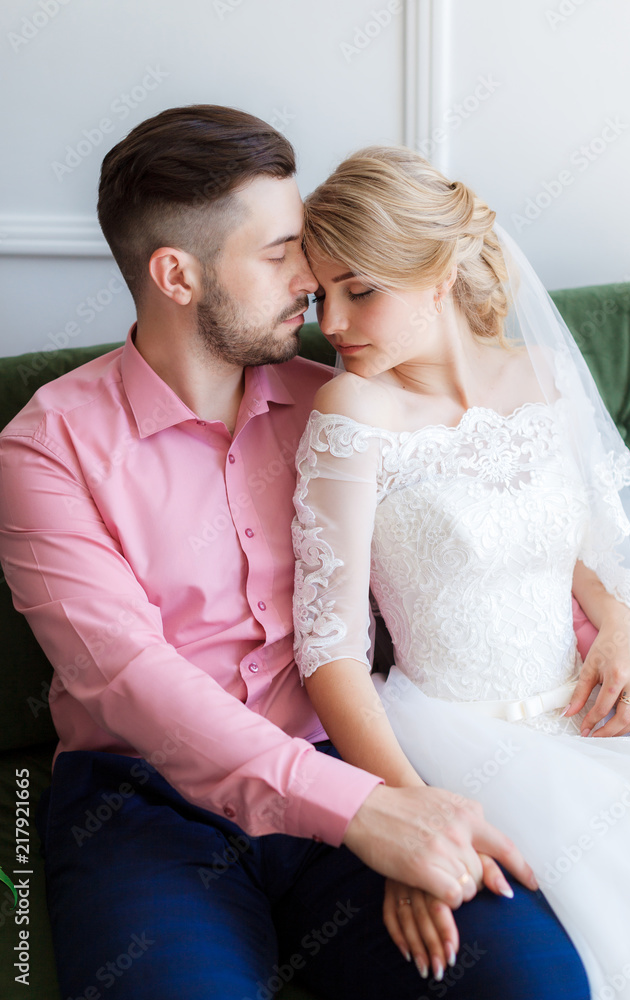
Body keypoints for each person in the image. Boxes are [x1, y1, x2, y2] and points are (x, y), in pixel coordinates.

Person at [0, 107, 593, 1000]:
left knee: (535, 983)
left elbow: (495, 519)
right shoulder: (46, 449)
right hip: (150, 806)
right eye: (280, 254)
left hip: (347, 762)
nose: (309, 280)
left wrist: (615, 622)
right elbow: (130, 681)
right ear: (177, 275)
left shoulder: (345, 403)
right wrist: (370, 815)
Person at [293, 145, 630, 999]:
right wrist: (404, 808)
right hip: (457, 737)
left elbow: (585, 542)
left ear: (439, 272)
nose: (332, 323)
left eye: (360, 289)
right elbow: (327, 647)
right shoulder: (354, 411)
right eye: (319, 296)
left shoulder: (539, 379)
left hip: (587, 713)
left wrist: (617, 626)